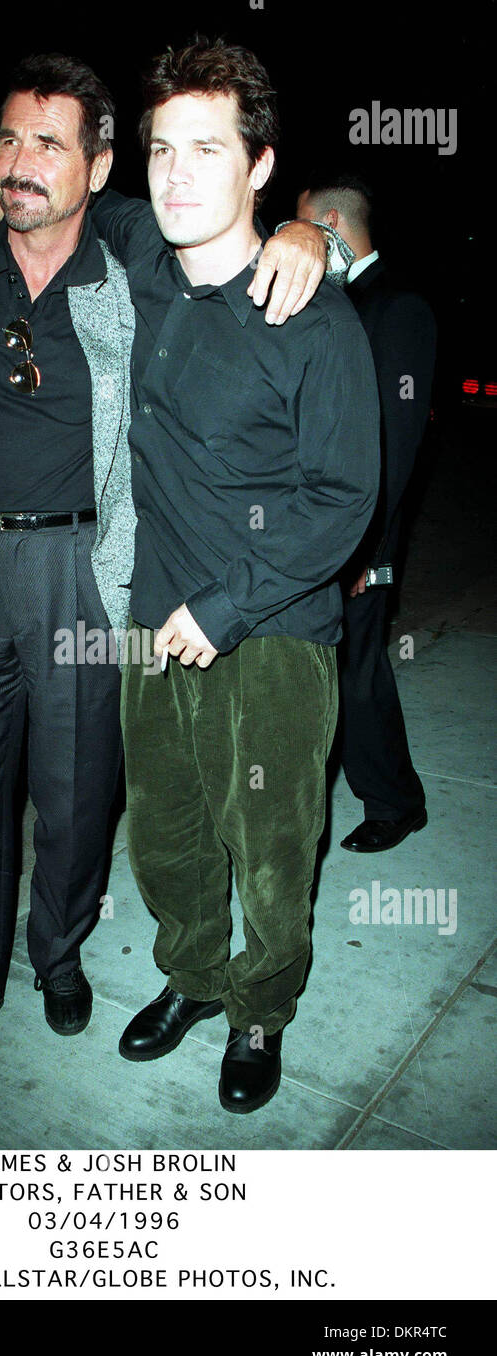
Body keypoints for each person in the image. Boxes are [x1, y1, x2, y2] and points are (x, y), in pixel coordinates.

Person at [0, 38, 380, 1115]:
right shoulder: (139, 257)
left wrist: (312, 234)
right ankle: (192, 977)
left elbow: (341, 501)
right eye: (163, 148)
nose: (176, 174)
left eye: (207, 150)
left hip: (267, 625)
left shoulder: (312, 318)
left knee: (267, 845)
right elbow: (39, 190)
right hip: (144, 613)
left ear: (258, 166)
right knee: (167, 832)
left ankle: (259, 1009)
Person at [297, 175, 436, 852]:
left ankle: (394, 802)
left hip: (359, 538)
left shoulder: (397, 307)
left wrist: (367, 551)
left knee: (355, 671)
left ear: (329, 224)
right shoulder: (335, 301)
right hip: (321, 527)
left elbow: (396, 443)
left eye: (302, 228)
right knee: (339, 668)